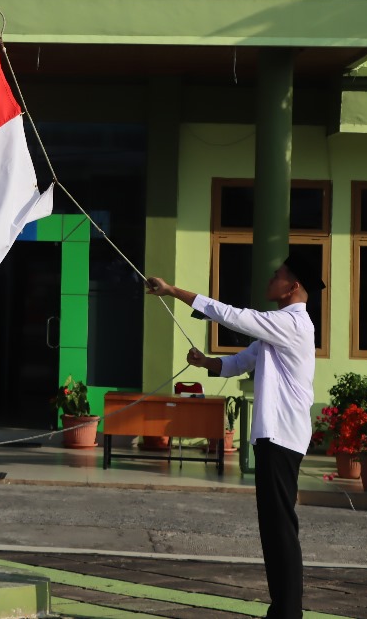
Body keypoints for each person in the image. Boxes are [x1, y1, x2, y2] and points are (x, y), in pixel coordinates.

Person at [144, 252, 321, 619]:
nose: (271, 279)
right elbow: (241, 361)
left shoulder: (292, 324)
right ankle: (283, 609)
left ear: (293, 286)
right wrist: (206, 363)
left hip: (283, 437)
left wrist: (173, 290)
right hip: (277, 438)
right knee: (274, 528)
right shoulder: (280, 328)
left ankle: (288, 613)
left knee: (280, 528)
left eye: (278, 274)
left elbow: (235, 316)